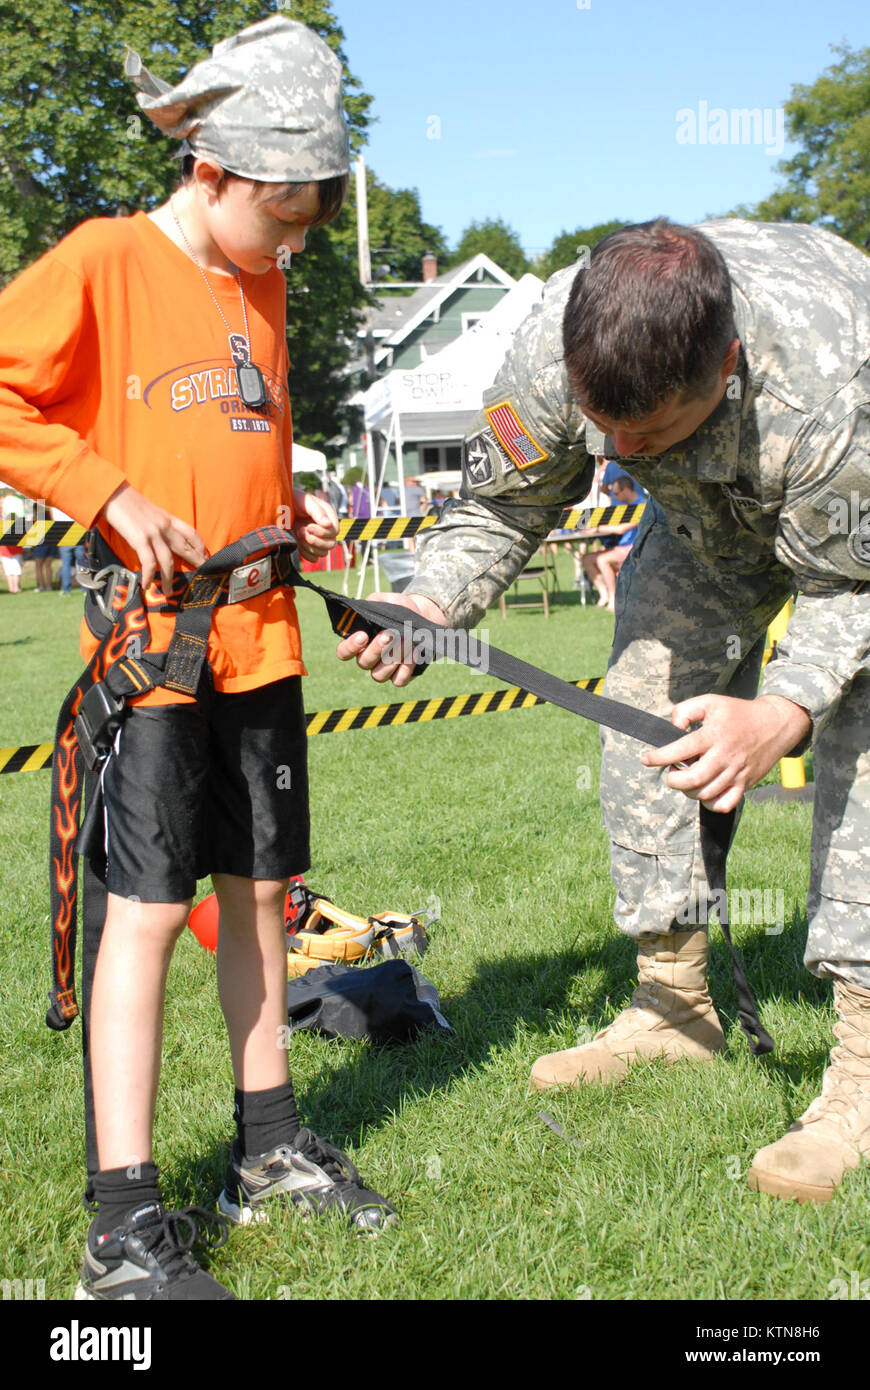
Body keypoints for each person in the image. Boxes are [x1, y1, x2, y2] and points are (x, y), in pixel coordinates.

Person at [338, 217, 870, 1206]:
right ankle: (673, 1007)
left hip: (857, 546)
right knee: (639, 712)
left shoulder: (837, 374)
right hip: (706, 533)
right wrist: (428, 603)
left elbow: (855, 587)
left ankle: (861, 1076)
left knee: (864, 762)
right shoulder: (553, 343)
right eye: (603, 429)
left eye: (649, 435)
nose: (618, 454)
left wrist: (786, 710)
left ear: (729, 367)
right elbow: (504, 503)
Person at [0, 17, 396, 1301]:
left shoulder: (266, 281)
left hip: (262, 635)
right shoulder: (106, 260)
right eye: (281, 219)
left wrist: (294, 509)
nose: (293, 248)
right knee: (154, 912)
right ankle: (121, 1224)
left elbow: (243, 431)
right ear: (211, 170)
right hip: (154, 652)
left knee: (264, 890)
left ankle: (267, 1147)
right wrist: (109, 495)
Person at [580, 462, 646, 610]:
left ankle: (614, 599)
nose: (614, 497)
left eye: (616, 493)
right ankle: (604, 595)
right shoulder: (626, 507)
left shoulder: (642, 505)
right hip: (623, 547)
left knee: (603, 560)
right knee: (587, 560)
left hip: (633, 548)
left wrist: (596, 529)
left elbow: (621, 529)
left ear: (626, 490)